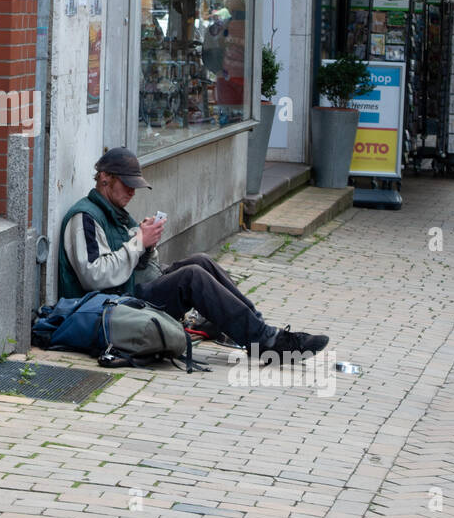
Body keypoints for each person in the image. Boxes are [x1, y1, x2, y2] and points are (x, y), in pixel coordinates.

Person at [57, 147, 330, 361]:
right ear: (105, 179)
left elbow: (137, 265)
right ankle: (267, 341)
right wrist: (138, 242)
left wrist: (146, 246)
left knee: (201, 260)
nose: (132, 191)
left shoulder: (116, 214)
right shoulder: (85, 218)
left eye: (135, 185)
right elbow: (95, 276)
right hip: (109, 308)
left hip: (128, 292)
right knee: (192, 277)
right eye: (126, 184)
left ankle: (262, 331)